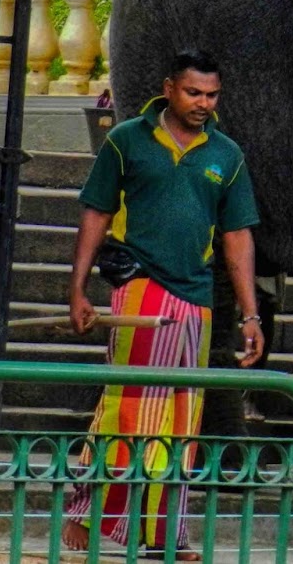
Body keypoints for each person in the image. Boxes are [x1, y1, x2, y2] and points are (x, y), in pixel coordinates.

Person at [60, 51, 263, 560]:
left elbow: (237, 237)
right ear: (169, 88)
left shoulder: (226, 153)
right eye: (194, 92)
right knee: (125, 406)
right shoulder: (126, 140)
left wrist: (251, 314)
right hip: (140, 288)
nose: (203, 103)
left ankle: (162, 536)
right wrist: (78, 288)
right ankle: (85, 512)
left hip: (196, 300)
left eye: (212, 95)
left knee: (180, 418)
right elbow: (96, 213)